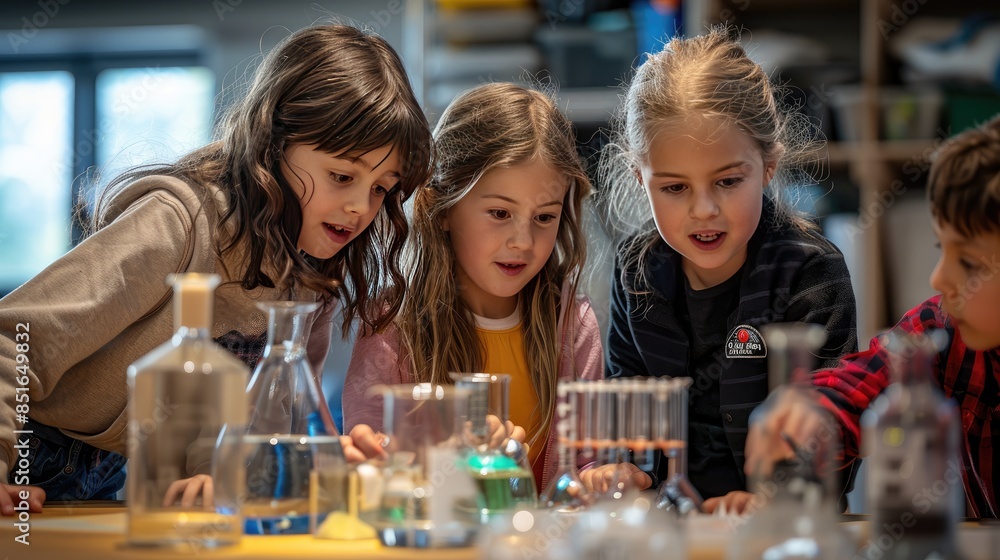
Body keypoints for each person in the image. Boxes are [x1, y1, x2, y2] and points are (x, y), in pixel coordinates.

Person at [0, 24, 432, 515]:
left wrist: (333, 462)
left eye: (381, 188)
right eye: (341, 176)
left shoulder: (312, 273)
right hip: (29, 448)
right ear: (273, 144)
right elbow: (16, 337)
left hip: (112, 473)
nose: (360, 207)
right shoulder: (179, 223)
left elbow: (281, 423)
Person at [590, 28, 859, 514]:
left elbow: (834, 423)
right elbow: (624, 397)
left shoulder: (811, 271)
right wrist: (624, 468)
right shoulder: (636, 269)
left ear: (769, 165)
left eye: (728, 181)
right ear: (639, 177)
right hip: (671, 530)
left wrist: (772, 501)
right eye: (674, 188)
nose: (704, 210)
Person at [343, 83, 604, 491]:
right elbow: (369, 469)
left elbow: (586, 466)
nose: (523, 241)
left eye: (544, 217)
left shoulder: (573, 324)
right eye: (500, 212)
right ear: (443, 208)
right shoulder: (390, 326)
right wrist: (446, 460)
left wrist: (604, 480)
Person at [747, 114, 1000, 518]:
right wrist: (813, 415)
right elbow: (858, 386)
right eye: (942, 249)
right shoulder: (940, 332)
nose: (939, 277)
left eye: (968, 261)